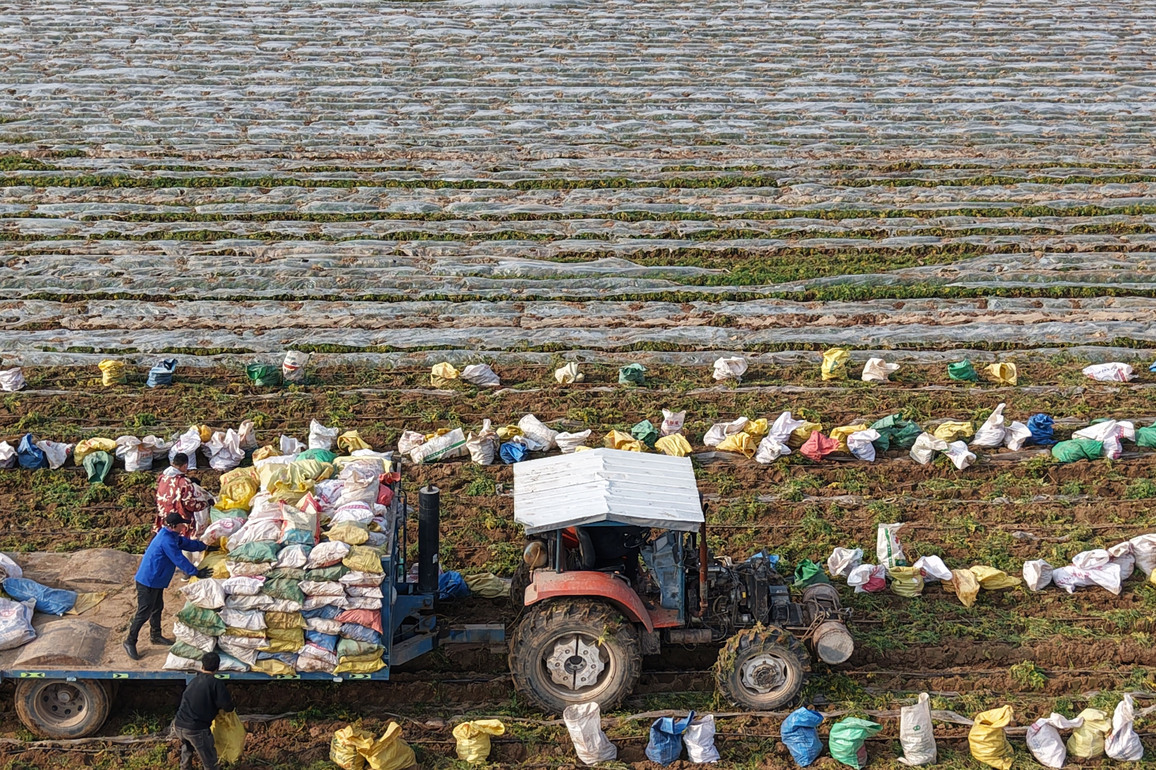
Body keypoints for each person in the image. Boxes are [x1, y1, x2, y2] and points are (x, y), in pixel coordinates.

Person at [125, 512, 214, 661]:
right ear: (173, 526)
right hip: (148, 580)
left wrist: (204, 546)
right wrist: (195, 572)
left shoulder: (171, 536)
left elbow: (186, 543)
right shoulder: (166, 540)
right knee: (143, 612)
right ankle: (130, 641)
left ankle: (156, 635)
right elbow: (179, 559)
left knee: (157, 607)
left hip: (157, 580)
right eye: (181, 525)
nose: (183, 527)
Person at [173, 652, 235, 770]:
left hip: (179, 725)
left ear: (202, 666)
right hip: (196, 729)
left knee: (187, 748)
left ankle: (184, 767)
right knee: (210, 761)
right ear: (218, 667)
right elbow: (228, 706)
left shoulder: (194, 681)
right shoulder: (216, 683)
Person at [155, 452, 212, 535]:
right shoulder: (184, 482)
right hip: (179, 520)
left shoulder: (162, 478)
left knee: (166, 538)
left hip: (164, 516)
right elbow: (189, 504)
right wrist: (205, 503)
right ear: (185, 466)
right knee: (180, 541)